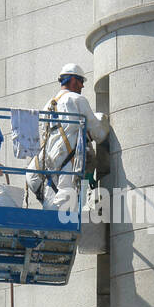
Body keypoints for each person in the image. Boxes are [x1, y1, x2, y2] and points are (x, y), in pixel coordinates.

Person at [27, 63, 109, 209]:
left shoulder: (48, 105)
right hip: (68, 160)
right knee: (66, 200)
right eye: (81, 82)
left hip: (49, 160)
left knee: (52, 195)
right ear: (72, 80)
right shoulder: (77, 99)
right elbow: (99, 134)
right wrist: (102, 121)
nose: (82, 86)